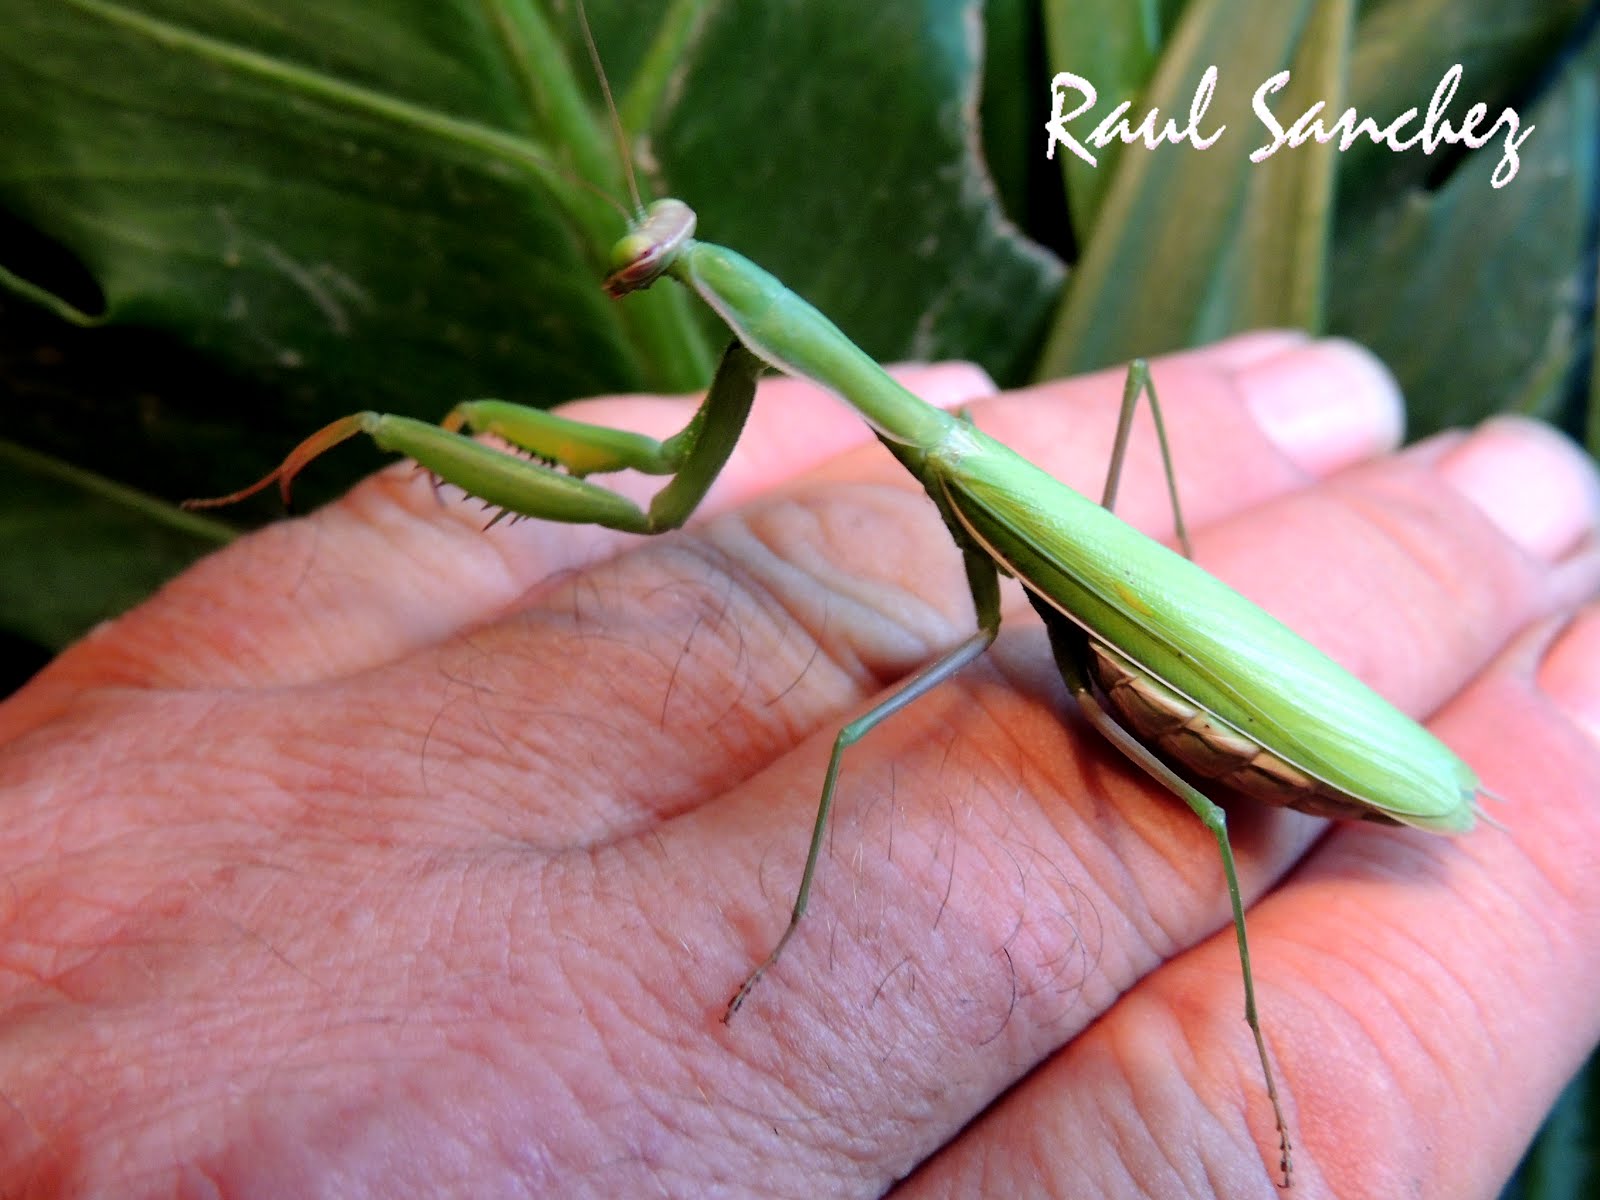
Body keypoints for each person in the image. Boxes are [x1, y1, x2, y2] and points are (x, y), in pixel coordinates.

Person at [1, 332, 1596, 1197]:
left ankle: (1218, 1010)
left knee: (888, 744)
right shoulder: (914, 440)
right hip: (1151, 641)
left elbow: (644, 495)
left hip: (1240, 711)